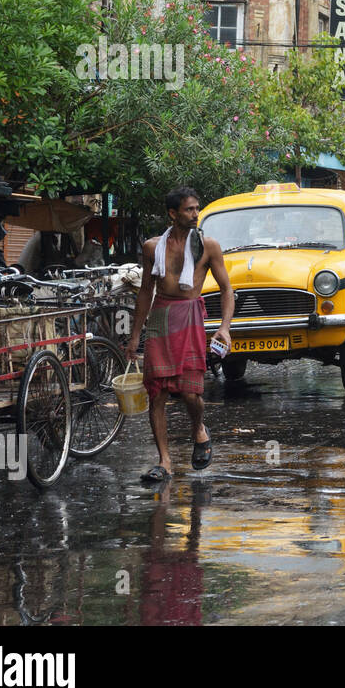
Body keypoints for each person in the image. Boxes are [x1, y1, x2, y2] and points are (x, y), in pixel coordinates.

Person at [127, 187, 234, 484]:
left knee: (190, 393)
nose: (195, 214)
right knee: (157, 392)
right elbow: (146, 290)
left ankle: (198, 428)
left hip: (190, 317)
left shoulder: (208, 246)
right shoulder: (152, 247)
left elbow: (227, 289)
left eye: (197, 208)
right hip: (160, 317)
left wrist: (224, 327)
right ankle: (164, 461)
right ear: (172, 214)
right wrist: (135, 336)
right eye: (189, 210)